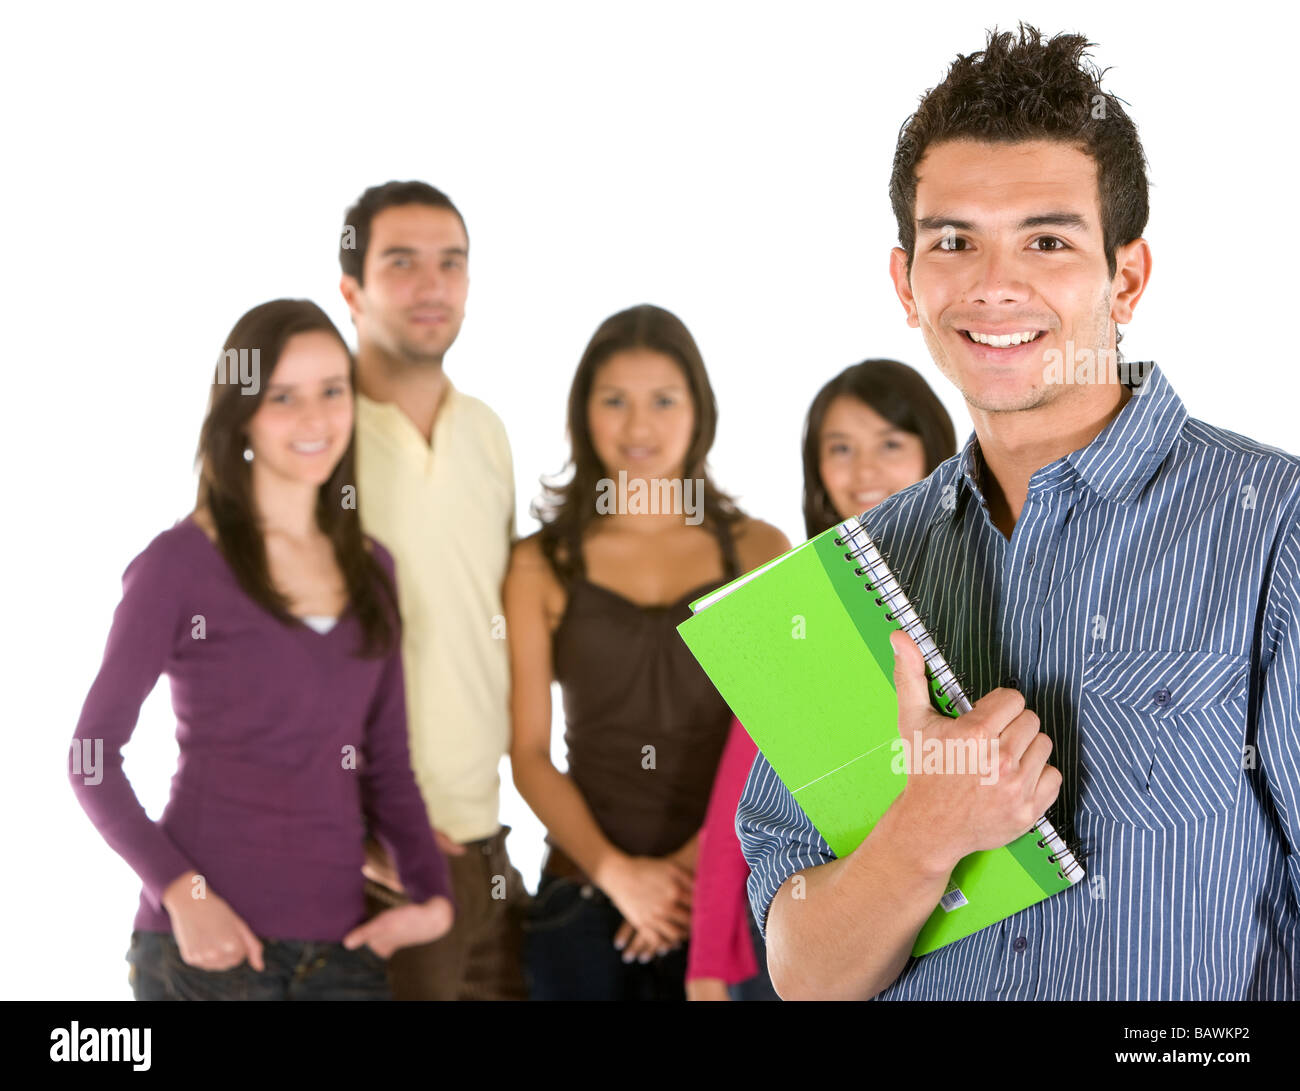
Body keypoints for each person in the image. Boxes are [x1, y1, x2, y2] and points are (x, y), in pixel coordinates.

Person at [738, 24, 1300, 1000]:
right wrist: (920, 835)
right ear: (904, 281)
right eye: (952, 241)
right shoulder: (852, 571)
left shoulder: (1272, 528)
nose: (994, 283)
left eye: (1046, 239)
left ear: (1125, 276)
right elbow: (804, 975)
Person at [68, 299, 454, 1001]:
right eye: (284, 397)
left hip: (342, 956)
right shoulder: (179, 563)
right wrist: (183, 894)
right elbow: (91, 754)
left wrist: (432, 898)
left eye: (332, 391)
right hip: (203, 957)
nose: (315, 419)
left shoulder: (374, 571)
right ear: (241, 411)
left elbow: (389, 763)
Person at [506, 304, 790, 1001]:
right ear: (584, 413)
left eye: (664, 399)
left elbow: (777, 739)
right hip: (585, 890)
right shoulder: (539, 563)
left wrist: (693, 872)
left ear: (700, 409)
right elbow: (529, 754)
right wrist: (621, 876)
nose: (639, 426)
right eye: (615, 401)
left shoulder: (758, 549)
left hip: (733, 890)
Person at [686, 360, 955, 1001]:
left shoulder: (980, 580)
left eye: (890, 443)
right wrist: (705, 962)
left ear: (933, 450)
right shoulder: (795, 610)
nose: (864, 470)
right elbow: (740, 798)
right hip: (821, 922)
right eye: (840, 449)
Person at [338, 181, 529, 1001]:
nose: (432, 285)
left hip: (486, 843)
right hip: (374, 860)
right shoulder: (312, 433)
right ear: (352, 290)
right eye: (402, 263)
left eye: (451, 263)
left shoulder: (486, 431)